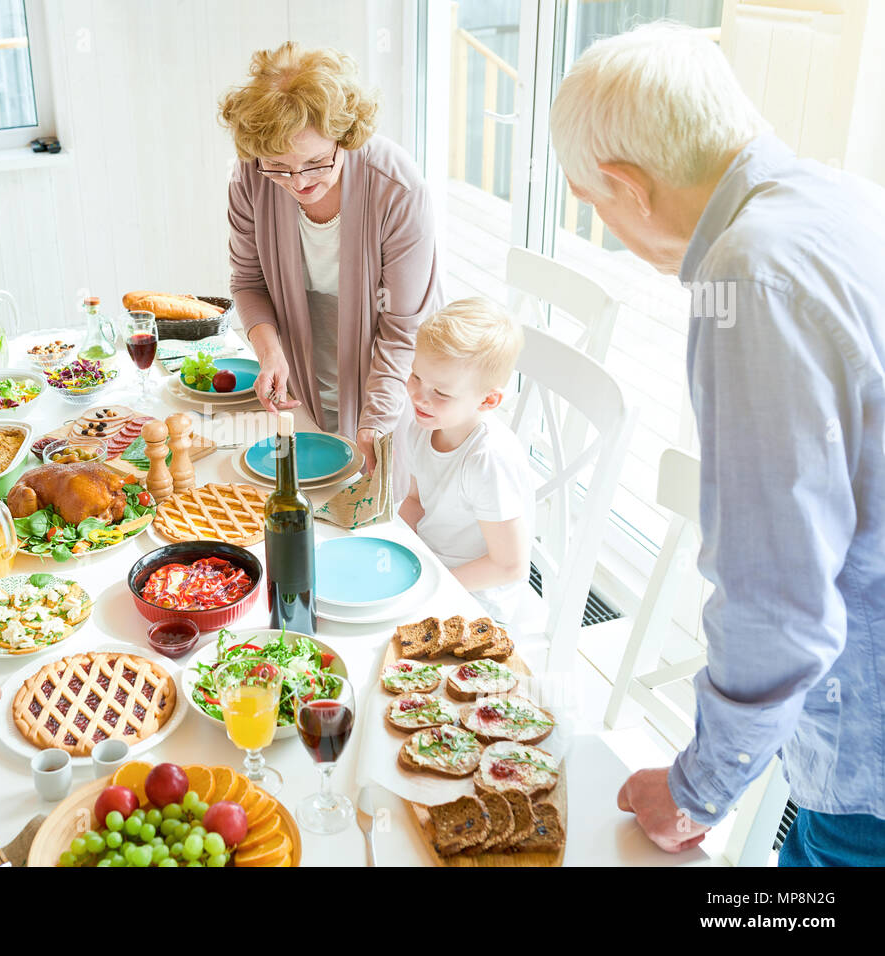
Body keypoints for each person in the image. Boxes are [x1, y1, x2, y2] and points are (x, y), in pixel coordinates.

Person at [550, 22, 885, 864]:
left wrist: (700, 787)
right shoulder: (845, 198)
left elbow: (776, 596)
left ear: (628, 189)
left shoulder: (749, 275)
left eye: (591, 204)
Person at [221, 42, 441, 472]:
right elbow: (249, 282)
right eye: (279, 167)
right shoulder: (250, 176)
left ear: (345, 135)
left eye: (317, 162)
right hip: (307, 369)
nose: (299, 182)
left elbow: (402, 329)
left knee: (381, 505)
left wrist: (374, 422)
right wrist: (270, 353)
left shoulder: (396, 187)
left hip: (395, 377)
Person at [397, 299, 533, 623]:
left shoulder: (487, 460)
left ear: (488, 400)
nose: (419, 396)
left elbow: (509, 565)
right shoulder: (424, 424)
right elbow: (416, 501)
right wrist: (396, 544)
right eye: (416, 376)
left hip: (478, 602)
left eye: (441, 392)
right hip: (431, 567)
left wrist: (434, 587)